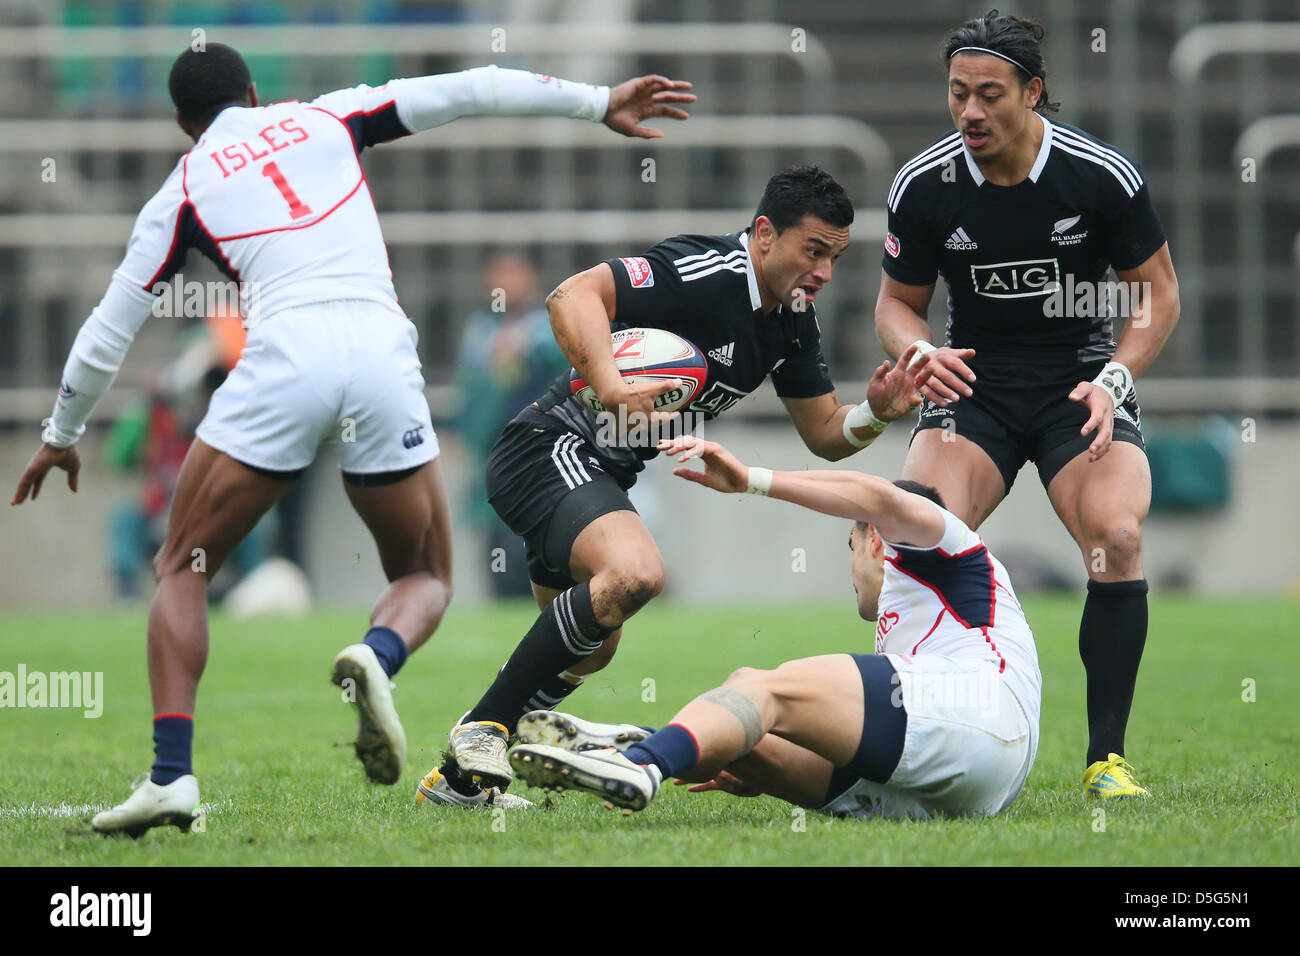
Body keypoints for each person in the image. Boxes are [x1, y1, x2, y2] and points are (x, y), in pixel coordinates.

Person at [8, 41, 696, 833]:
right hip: (379, 349)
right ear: (258, 93)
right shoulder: (326, 116)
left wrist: (63, 432)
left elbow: (107, 328)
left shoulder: (185, 186)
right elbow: (470, 88)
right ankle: (380, 654)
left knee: (181, 568)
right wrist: (595, 99)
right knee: (426, 572)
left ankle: (170, 778)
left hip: (284, 356)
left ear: (181, 123)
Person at [422, 164, 924, 805]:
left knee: (590, 649)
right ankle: (485, 727)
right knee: (636, 574)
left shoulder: (792, 320)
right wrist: (611, 385)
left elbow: (825, 432)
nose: (824, 271)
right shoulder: (704, 270)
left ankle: (458, 784)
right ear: (766, 234)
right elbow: (570, 296)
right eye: (814, 251)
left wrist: (878, 410)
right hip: (551, 444)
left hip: (603, 471)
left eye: (835, 256)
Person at [873, 10, 1179, 797]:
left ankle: (1106, 762)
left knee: (1116, 536)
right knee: (909, 546)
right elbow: (895, 307)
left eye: (990, 95)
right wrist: (917, 352)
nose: (970, 112)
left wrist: (1116, 379)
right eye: (957, 94)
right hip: (972, 387)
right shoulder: (925, 184)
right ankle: (892, 751)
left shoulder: (1099, 176)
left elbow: (1159, 296)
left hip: (1078, 386)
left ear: (1033, 92)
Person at [508, 434, 1041, 821]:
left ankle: (643, 764)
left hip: (982, 713)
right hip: (972, 787)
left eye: (850, 548)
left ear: (875, 540)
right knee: (750, 737)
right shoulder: (930, 611)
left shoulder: (949, 543)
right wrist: (738, 755)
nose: (851, 571)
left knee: (758, 686)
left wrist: (751, 481)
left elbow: (879, 497)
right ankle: (634, 748)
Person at [452, 252, 571, 599]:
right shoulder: (480, 329)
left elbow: (562, 359)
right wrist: (463, 436)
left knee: (536, 538)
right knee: (495, 541)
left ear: (531, 277)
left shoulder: (549, 323)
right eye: (498, 275)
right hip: (494, 453)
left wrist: (524, 348)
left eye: (514, 274)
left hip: (542, 452)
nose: (505, 284)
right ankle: (505, 608)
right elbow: (470, 390)